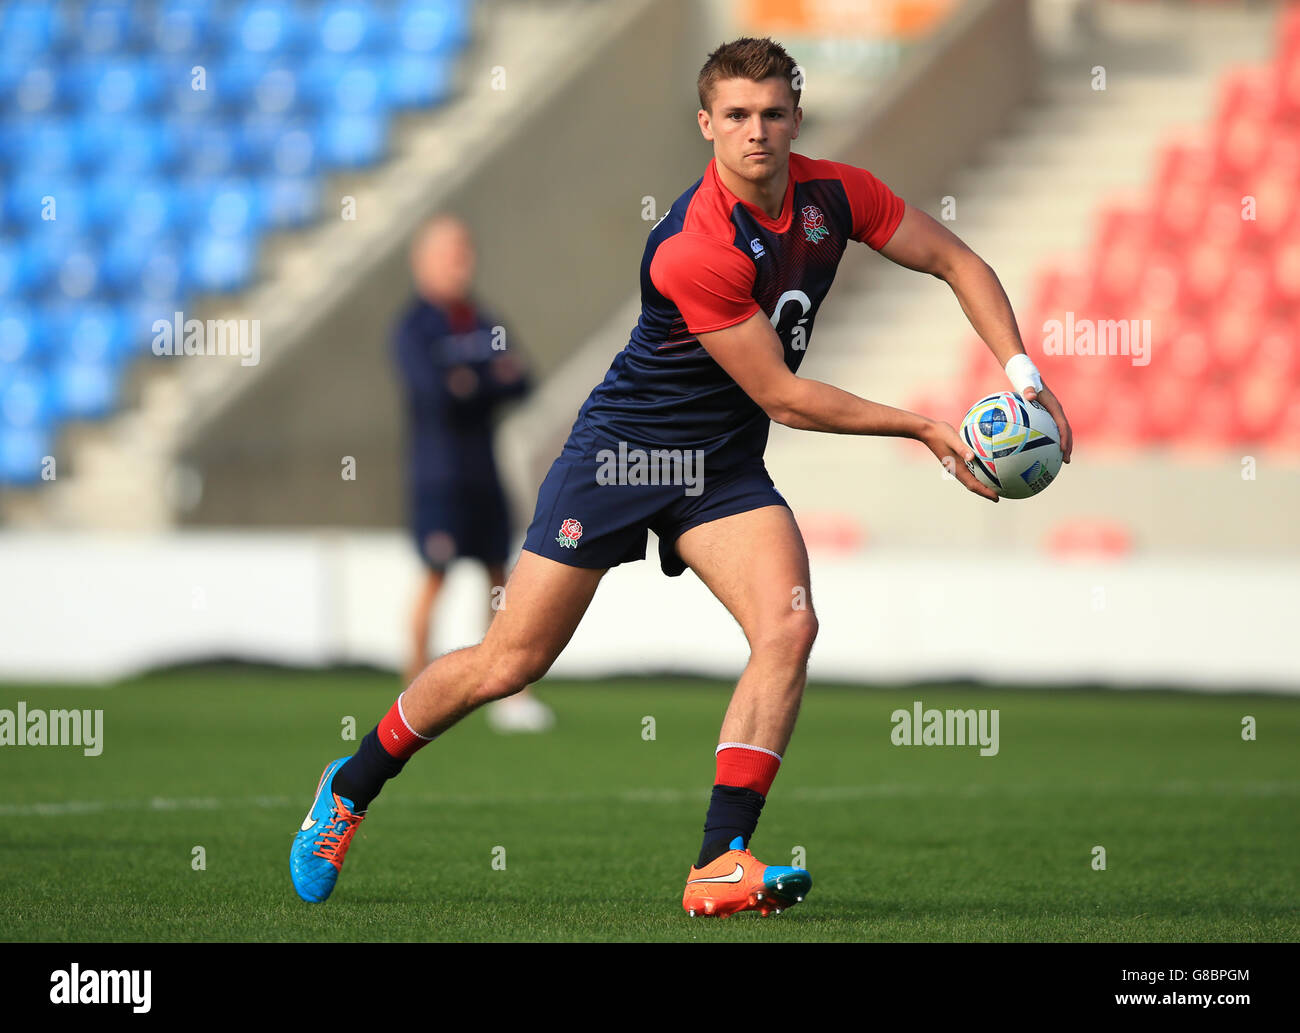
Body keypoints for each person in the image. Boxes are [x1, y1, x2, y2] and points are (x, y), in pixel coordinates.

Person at [291, 37, 1072, 915]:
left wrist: (1024, 378)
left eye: (773, 113)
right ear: (706, 124)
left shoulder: (839, 195)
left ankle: (718, 863)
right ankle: (350, 786)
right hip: (624, 457)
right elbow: (781, 395)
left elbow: (957, 262)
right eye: (737, 116)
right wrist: (925, 426)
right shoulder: (693, 245)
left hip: (721, 469)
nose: (757, 132)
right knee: (510, 661)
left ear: (796, 117)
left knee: (789, 626)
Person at [392, 215, 552, 733]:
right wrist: (484, 381)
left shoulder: (482, 319)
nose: (460, 260)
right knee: (435, 576)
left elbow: (521, 379)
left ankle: (507, 690)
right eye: (449, 251)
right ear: (424, 260)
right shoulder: (414, 326)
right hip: (438, 474)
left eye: (464, 249)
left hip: (484, 470)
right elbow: (436, 393)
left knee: (499, 579)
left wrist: (472, 382)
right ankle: (413, 697)